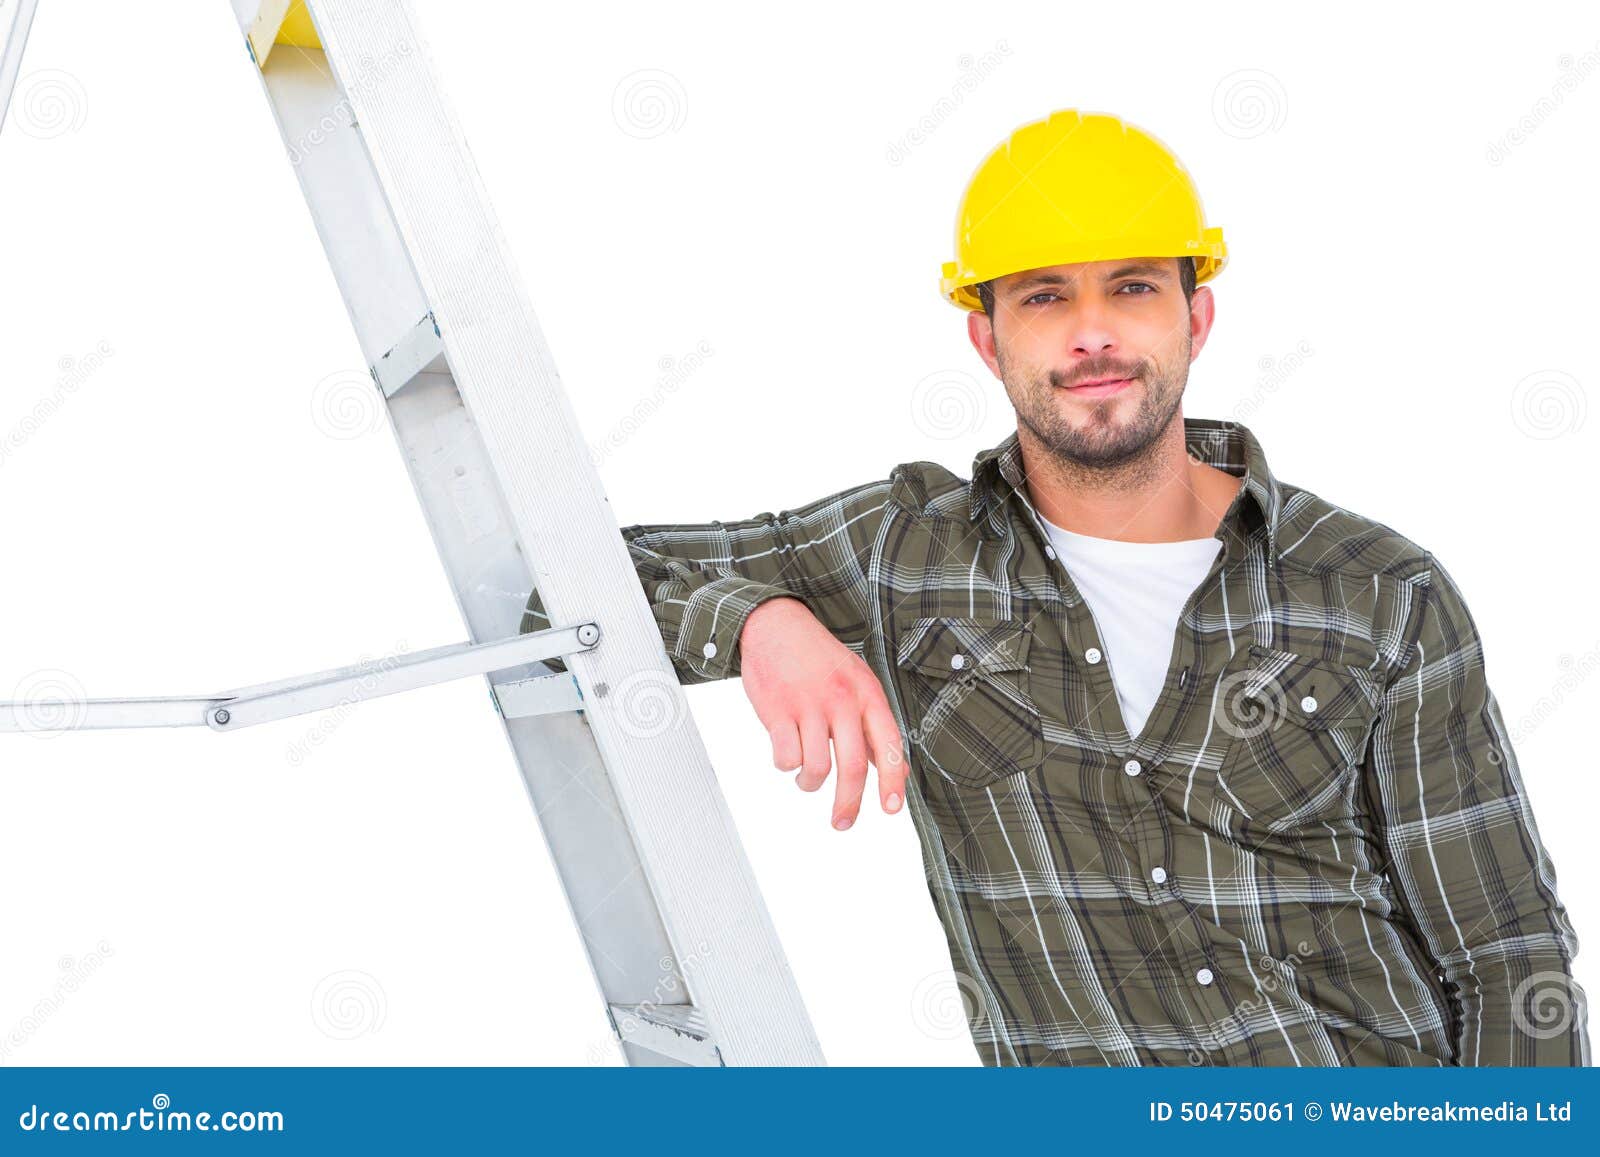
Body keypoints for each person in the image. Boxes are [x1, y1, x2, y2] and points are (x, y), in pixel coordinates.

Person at [522, 109, 1589, 1067]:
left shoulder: (1376, 589)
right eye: (1045, 297)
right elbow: (555, 589)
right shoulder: (906, 554)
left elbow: (1505, 952)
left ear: (1194, 317)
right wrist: (758, 618)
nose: (1091, 334)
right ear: (986, 339)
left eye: (1130, 286)